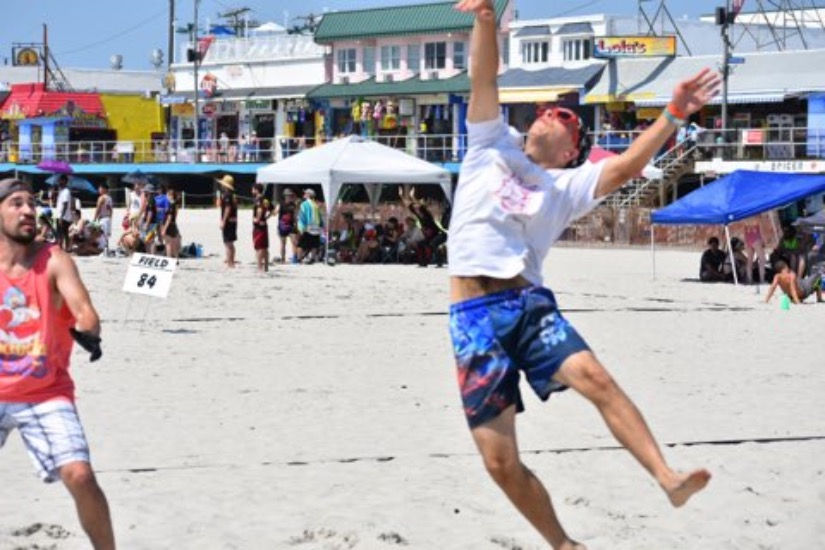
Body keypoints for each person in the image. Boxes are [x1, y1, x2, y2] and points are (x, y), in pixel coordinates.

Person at [448, 2, 718, 548]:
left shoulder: (566, 188)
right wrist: (485, 19)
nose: (552, 114)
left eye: (566, 117)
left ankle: (667, 478)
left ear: (573, 151)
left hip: (527, 308)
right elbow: (484, 76)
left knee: (596, 379)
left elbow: (627, 166)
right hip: (471, 319)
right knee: (499, 462)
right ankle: (564, 545)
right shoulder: (488, 144)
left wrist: (673, 113)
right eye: (548, 110)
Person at [0, 178, 114, 549]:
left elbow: (84, 310)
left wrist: (88, 330)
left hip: (45, 391)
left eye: (31, 203)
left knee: (80, 475)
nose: (28, 211)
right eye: (16, 203)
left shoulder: (53, 259)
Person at [296, 188, 323, 264]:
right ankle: (312, 258)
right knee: (314, 244)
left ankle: (299, 259)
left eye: (305, 193)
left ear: (308, 195)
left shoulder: (304, 204)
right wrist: (321, 226)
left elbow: (302, 216)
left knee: (301, 244)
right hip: (316, 227)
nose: (304, 194)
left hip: (307, 227)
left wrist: (301, 227)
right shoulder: (316, 205)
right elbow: (320, 217)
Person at [217, 175, 238, 268]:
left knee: (228, 243)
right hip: (233, 220)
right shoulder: (232, 195)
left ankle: (230, 263)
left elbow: (227, 209)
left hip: (228, 221)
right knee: (230, 243)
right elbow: (219, 205)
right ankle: (231, 261)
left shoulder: (227, 195)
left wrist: (223, 221)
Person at [274, 188, 298, 264]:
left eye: (290, 195)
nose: (289, 197)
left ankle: (295, 259)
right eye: (288, 195)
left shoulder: (293, 205)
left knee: (294, 242)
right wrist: (274, 210)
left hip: (291, 225)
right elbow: (275, 213)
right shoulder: (280, 204)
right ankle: (283, 259)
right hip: (282, 226)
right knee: (283, 243)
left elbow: (295, 215)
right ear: (285, 196)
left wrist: (296, 224)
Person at [251, 183, 271, 272]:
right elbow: (273, 209)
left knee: (259, 247)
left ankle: (259, 267)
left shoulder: (258, 199)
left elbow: (259, 209)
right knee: (265, 247)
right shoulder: (265, 199)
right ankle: (266, 267)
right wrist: (266, 217)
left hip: (259, 226)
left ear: (256, 190)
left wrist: (258, 219)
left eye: (253, 189)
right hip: (264, 225)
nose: (252, 190)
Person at [743, 216, 767, 284]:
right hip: (756, 238)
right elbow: (761, 230)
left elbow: (744, 231)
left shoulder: (745, 217)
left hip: (748, 238)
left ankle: (749, 279)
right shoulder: (757, 217)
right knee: (762, 260)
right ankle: (762, 280)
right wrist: (763, 240)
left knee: (749, 261)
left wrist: (745, 242)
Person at [92, 183, 113, 254]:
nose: (99, 190)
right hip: (108, 218)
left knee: (101, 234)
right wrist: (110, 219)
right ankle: (106, 249)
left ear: (104, 189)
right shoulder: (109, 198)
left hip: (103, 218)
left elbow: (98, 209)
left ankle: (102, 249)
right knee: (106, 235)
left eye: (100, 188)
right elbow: (111, 210)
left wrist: (94, 219)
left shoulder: (101, 198)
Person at [54, 175, 74, 252]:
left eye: (60, 180)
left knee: (62, 233)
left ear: (65, 181)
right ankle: (63, 248)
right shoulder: (61, 191)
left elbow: (65, 205)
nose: (59, 182)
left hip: (63, 216)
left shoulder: (66, 191)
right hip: (60, 215)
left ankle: (64, 249)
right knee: (61, 233)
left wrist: (61, 217)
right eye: (59, 180)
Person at [161, 188, 182, 260]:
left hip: (169, 225)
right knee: (173, 243)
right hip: (173, 224)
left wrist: (164, 228)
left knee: (168, 244)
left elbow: (169, 218)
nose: (166, 196)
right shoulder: (175, 205)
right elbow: (175, 216)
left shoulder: (170, 205)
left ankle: (169, 259)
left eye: (167, 195)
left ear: (171, 196)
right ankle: (176, 259)